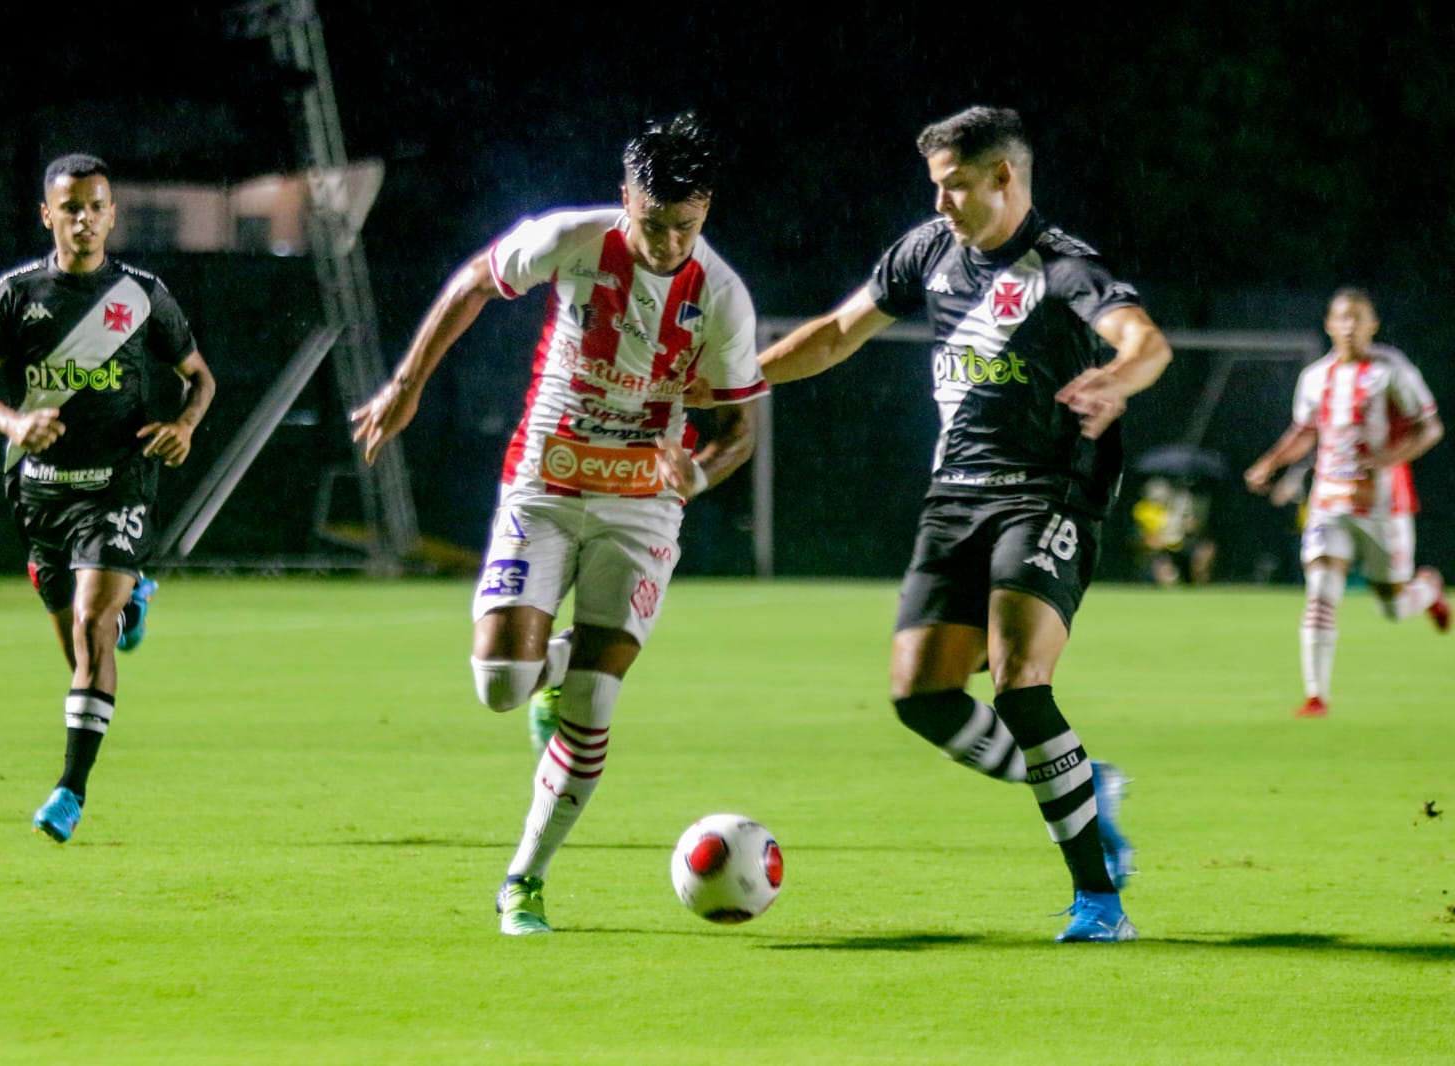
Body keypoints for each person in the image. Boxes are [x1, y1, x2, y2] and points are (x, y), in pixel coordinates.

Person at [756, 106, 1172, 942]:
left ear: (1003, 178)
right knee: (921, 693)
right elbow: (838, 332)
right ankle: (1090, 784)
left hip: (1047, 492)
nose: (941, 203)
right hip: (955, 495)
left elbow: (1146, 341)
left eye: (954, 187)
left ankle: (1100, 904)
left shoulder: (1063, 265)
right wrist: (734, 383)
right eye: (935, 188)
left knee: (1020, 680)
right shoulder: (926, 252)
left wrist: (1117, 379)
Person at [350, 113, 767, 935]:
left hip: (643, 507)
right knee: (503, 686)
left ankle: (524, 882)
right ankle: (558, 665)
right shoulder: (570, 238)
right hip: (545, 480)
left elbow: (741, 429)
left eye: (684, 226)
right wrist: (408, 383)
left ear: (707, 210)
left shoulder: (720, 295)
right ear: (625, 199)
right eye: (652, 223)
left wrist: (700, 472)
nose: (665, 243)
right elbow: (474, 281)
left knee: (594, 703)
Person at [0, 153, 216, 843]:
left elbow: (200, 379)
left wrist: (184, 426)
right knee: (77, 649)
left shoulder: (141, 294)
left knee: (91, 628)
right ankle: (133, 599)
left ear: (112, 213)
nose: (84, 219)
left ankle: (70, 790)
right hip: (39, 494)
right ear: (48, 215)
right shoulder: (16, 293)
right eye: (70, 207)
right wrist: (14, 421)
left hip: (118, 486)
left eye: (96, 206)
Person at [1244, 287, 1447, 718]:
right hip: (1329, 499)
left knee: (1392, 606)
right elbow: (1305, 431)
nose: (1350, 326)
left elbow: (1430, 429)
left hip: (1382, 505)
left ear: (1373, 325)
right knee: (1320, 588)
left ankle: (1427, 589)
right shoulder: (1316, 376)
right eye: (1343, 318)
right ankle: (1316, 696)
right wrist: (1268, 464)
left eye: (1359, 318)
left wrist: (1388, 460)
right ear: (1329, 325)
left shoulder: (1393, 370)